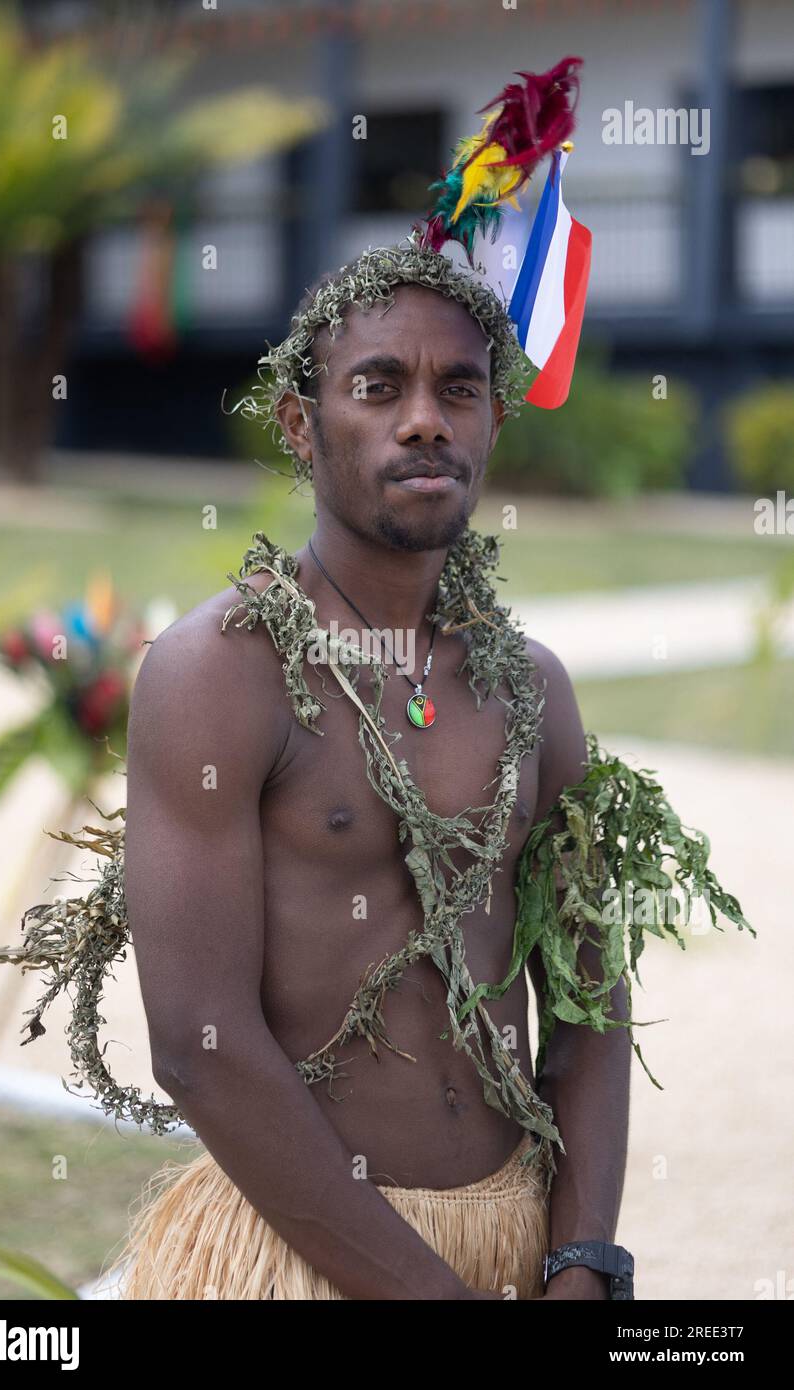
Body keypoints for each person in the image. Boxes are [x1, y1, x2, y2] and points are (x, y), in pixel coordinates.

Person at [109, 246, 629, 1300]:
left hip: (508, 1244)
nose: (425, 419)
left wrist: (580, 1261)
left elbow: (588, 1006)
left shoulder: (533, 690)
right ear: (301, 426)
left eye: (460, 389)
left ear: (493, 422)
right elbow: (198, 1044)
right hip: (297, 1256)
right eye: (378, 386)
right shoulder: (218, 673)